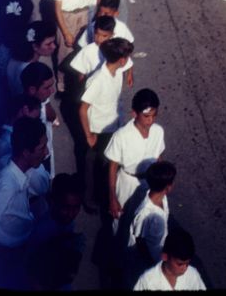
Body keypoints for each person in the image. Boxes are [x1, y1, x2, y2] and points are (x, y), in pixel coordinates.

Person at [0, 116, 50, 288]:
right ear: (26, 153)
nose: (46, 152)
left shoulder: (11, 164)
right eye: (42, 148)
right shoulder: (7, 185)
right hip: (7, 254)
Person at [78, 37, 134, 212]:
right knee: (93, 165)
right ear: (122, 60)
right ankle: (89, 199)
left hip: (112, 126)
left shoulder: (117, 73)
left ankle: (104, 194)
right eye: (127, 57)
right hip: (98, 130)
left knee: (107, 163)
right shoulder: (98, 80)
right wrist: (89, 135)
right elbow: (83, 109)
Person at [105, 88, 166, 224]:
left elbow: (158, 157)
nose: (151, 120)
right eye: (146, 116)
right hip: (127, 184)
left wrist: (162, 183)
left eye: (154, 115)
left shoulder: (158, 131)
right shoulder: (121, 136)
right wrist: (112, 198)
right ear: (134, 113)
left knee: (146, 220)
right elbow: (113, 167)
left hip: (150, 182)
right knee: (122, 221)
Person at [126, 161, 177, 284]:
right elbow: (139, 240)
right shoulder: (146, 213)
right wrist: (153, 265)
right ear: (168, 187)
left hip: (158, 255)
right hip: (147, 261)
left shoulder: (163, 198)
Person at [134, 228, 206, 291]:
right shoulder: (147, 281)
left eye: (187, 264)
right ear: (165, 257)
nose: (184, 268)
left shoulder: (192, 275)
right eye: (180, 264)